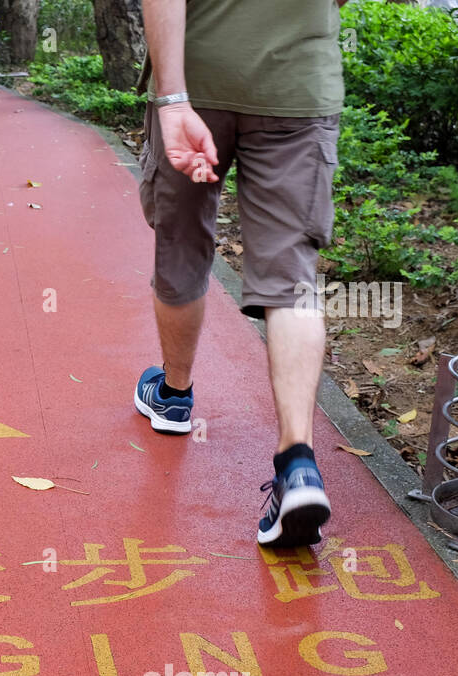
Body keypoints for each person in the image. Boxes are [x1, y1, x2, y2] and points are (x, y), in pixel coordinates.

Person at [134, 0, 348, 548]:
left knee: (181, 246)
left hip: (199, 80)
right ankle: (297, 462)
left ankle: (175, 393)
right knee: (291, 276)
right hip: (295, 87)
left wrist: (172, 96)